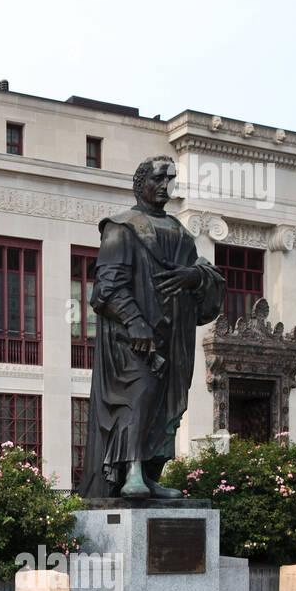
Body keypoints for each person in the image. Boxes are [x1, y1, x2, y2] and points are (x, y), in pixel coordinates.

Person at [79, 156, 225, 499]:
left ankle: (150, 472)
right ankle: (130, 470)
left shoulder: (179, 232)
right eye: (158, 179)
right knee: (138, 396)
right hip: (133, 338)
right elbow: (106, 289)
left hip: (175, 339)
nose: (165, 187)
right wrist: (134, 321)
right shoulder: (121, 226)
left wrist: (196, 277)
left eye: (170, 180)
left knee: (167, 404)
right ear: (140, 182)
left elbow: (210, 282)